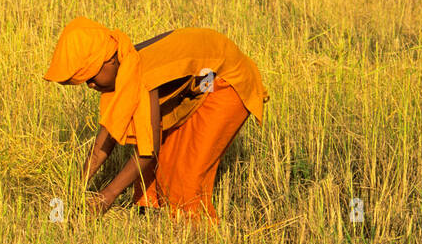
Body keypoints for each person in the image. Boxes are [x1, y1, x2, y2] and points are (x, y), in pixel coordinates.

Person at [43, 18, 268, 219]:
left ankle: (196, 236)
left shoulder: (141, 74)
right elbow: (108, 136)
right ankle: (153, 214)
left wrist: (106, 197)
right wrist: (76, 186)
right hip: (199, 83)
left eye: (91, 77)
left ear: (110, 61)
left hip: (225, 80)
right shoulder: (124, 62)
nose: (90, 85)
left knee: (185, 177)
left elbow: (147, 152)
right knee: (165, 165)